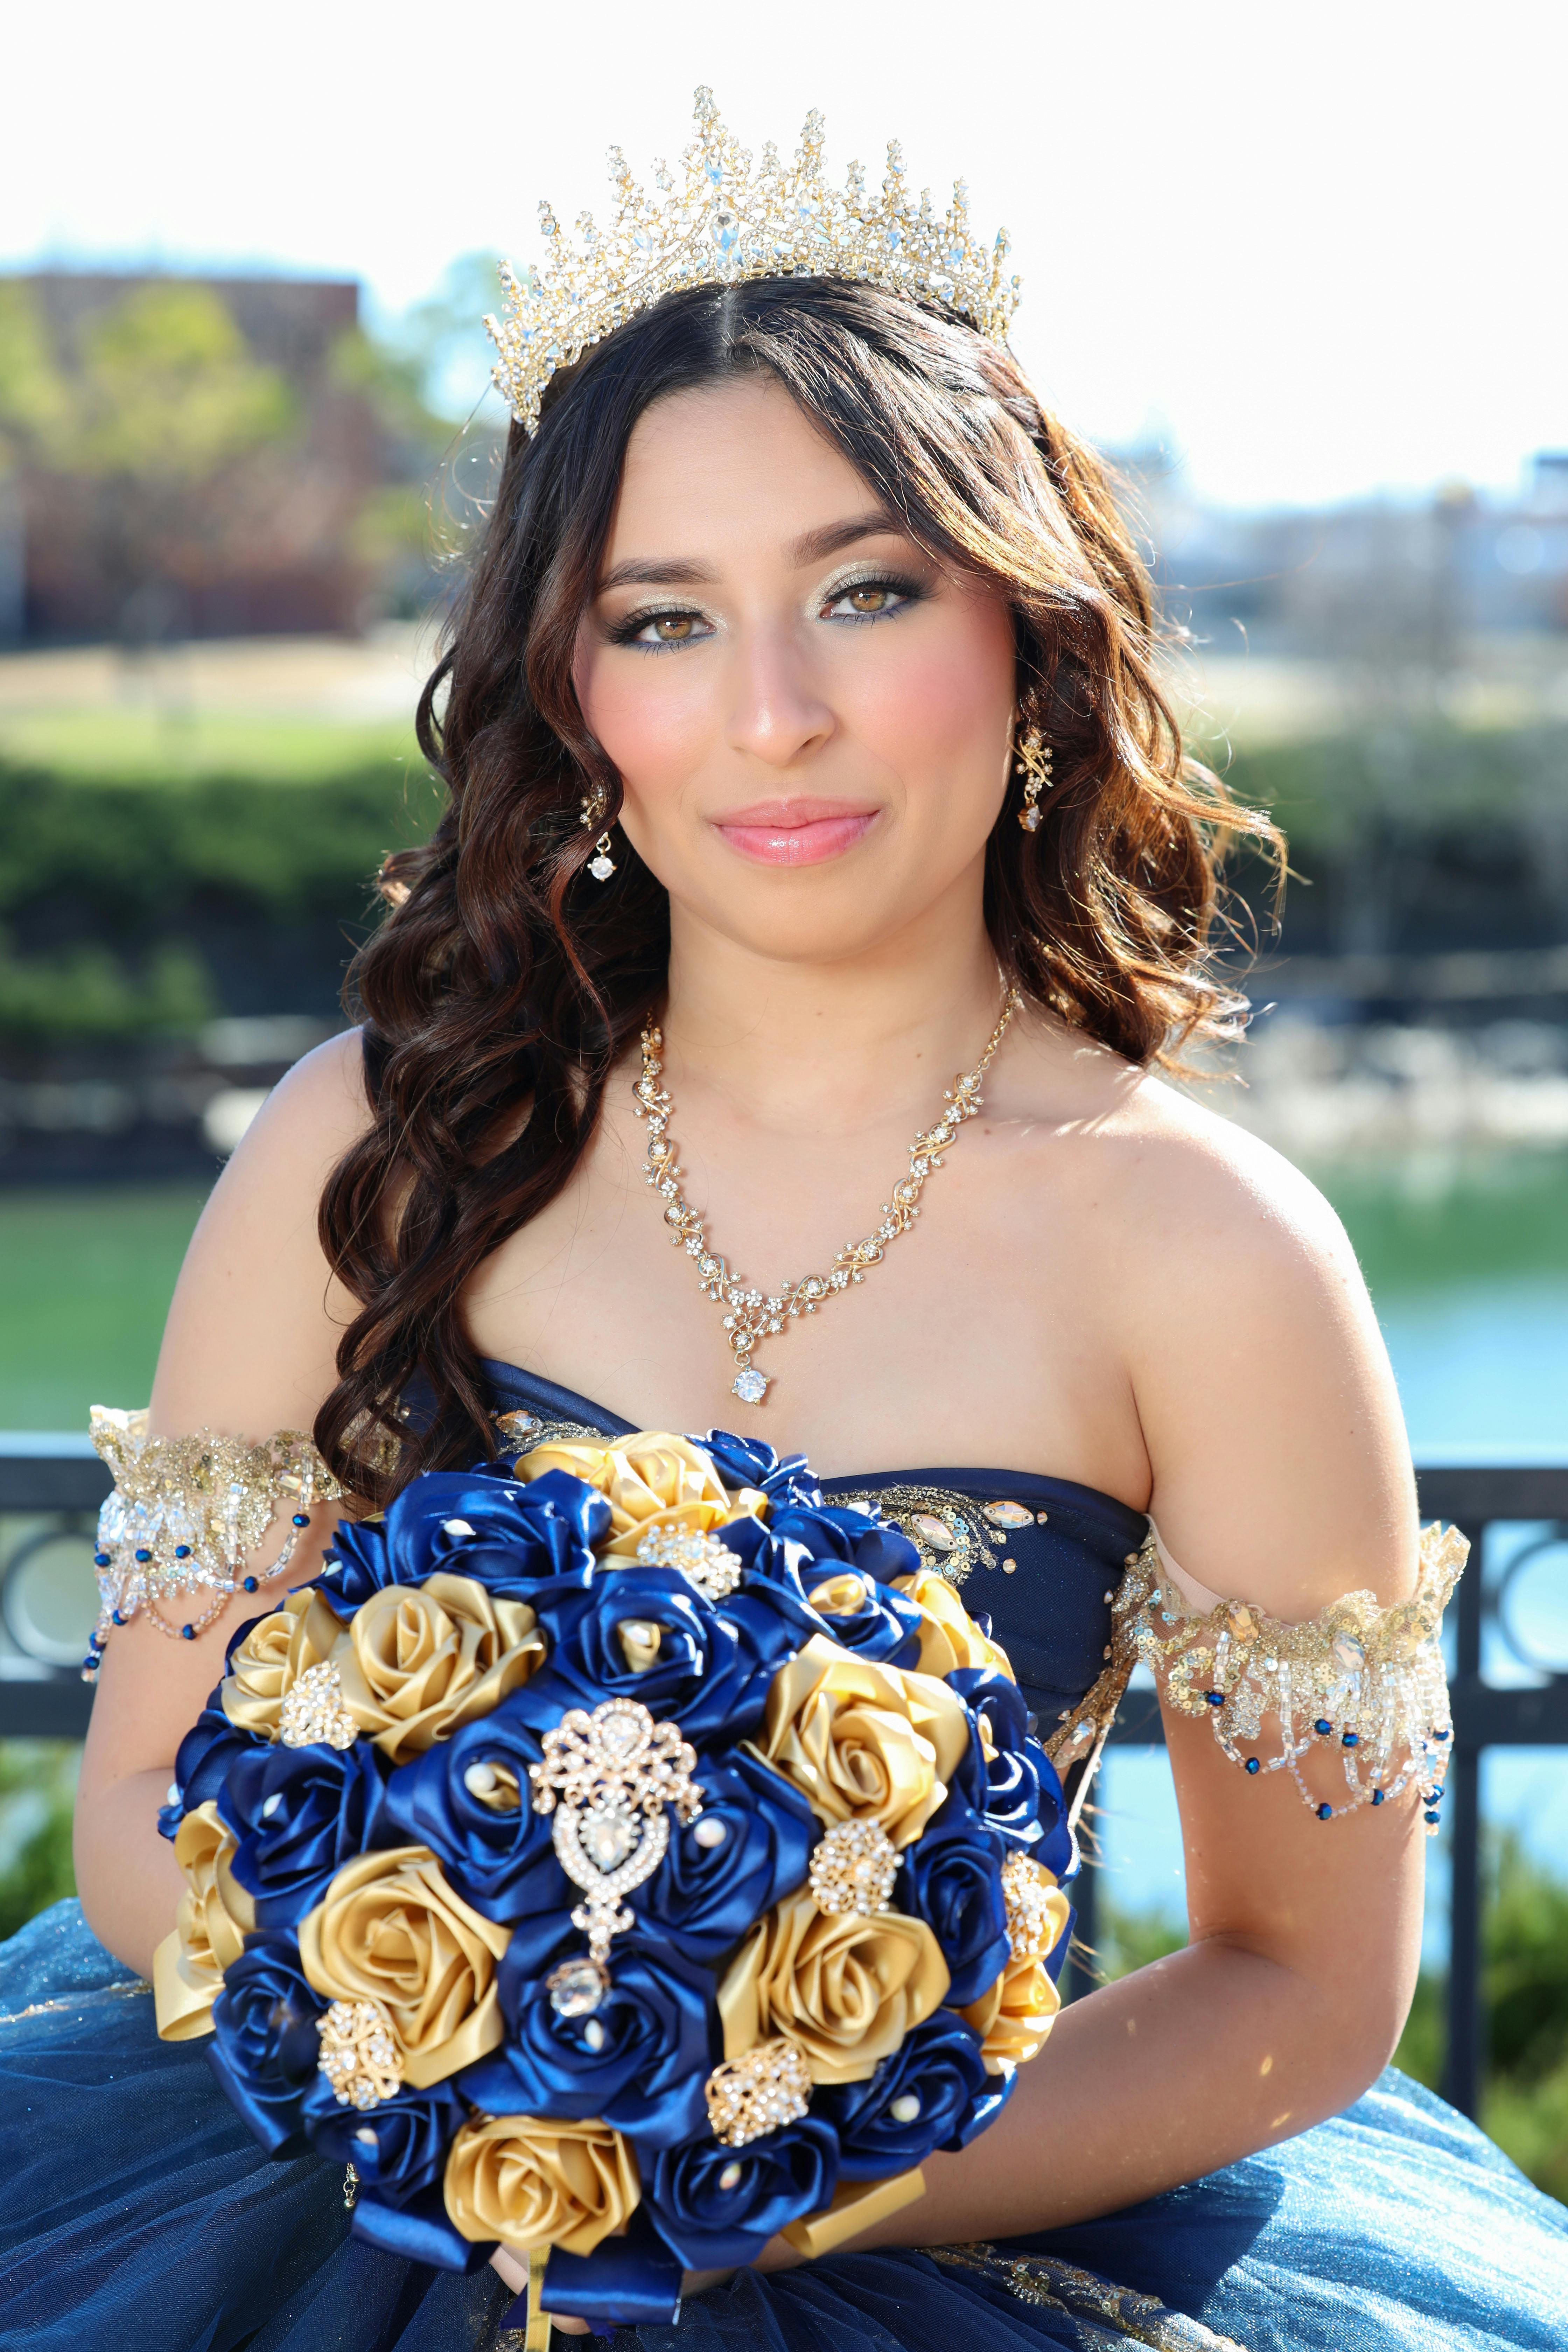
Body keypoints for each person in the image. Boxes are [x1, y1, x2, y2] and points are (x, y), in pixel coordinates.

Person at [3, 91, 1565, 2352]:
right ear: (571, 687)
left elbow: (1303, 1982)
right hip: (318, 2204)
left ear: (1023, 630)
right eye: (664, 616)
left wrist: (777, 2193)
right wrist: (446, 2108)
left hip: (943, 2239)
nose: (773, 715)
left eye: (866, 590)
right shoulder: (373, 1148)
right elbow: (147, 1800)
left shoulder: (1212, 1257)